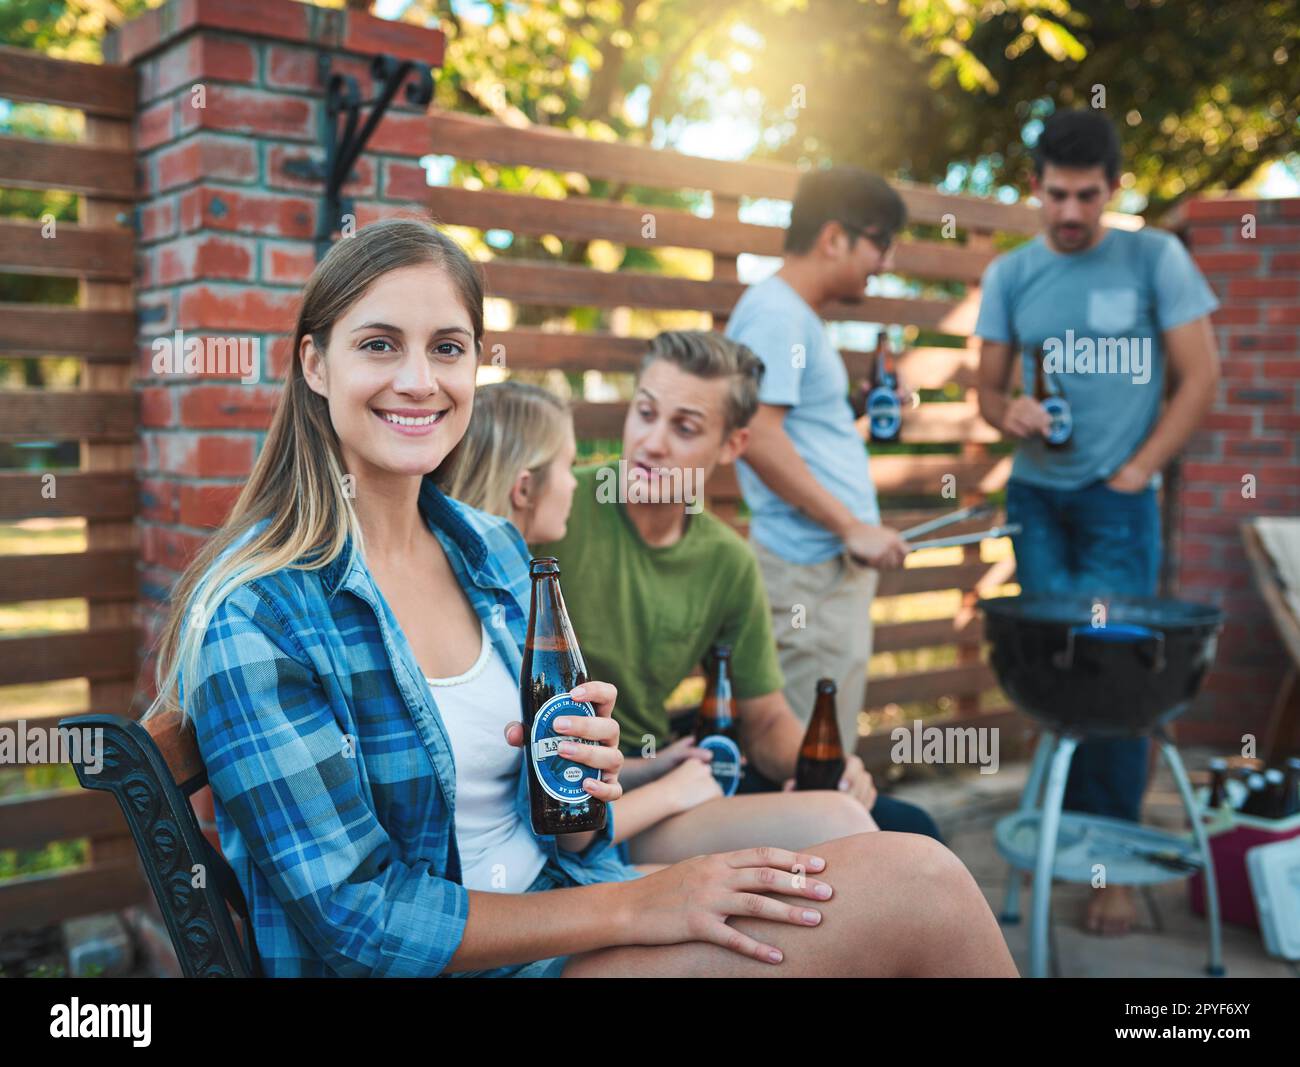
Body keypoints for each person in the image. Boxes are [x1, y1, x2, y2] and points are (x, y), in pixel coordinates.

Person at [142, 219, 1015, 978]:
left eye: (447, 348)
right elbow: (360, 923)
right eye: (379, 344)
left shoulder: (487, 549)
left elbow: (565, 827)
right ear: (315, 364)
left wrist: (586, 776)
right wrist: (644, 904)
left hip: (566, 898)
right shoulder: (259, 612)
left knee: (888, 861)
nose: (419, 381)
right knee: (921, 891)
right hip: (480, 958)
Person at [444, 335, 941, 858]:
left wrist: (833, 768)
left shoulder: (727, 561)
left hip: (662, 767)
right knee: (855, 841)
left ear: (733, 445)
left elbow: (765, 719)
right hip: (579, 793)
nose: (651, 443)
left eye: (684, 427)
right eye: (644, 412)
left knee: (907, 826)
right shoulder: (550, 504)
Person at [974, 109, 1221, 936]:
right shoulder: (1012, 275)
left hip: (1119, 504)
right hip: (1038, 503)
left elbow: (1200, 379)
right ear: (1034, 188)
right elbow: (987, 393)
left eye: (1087, 196)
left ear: (1115, 189)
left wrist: (1137, 473)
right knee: (1062, 671)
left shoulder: (1156, 258)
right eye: (1055, 195)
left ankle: (1111, 868)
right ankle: (1061, 837)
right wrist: (1009, 413)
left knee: (1118, 678)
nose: (1070, 213)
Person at [724, 165, 911, 762]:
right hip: (810, 575)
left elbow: (785, 427)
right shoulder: (778, 315)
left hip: (821, 574)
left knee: (821, 749)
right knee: (810, 759)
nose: (884, 263)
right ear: (835, 237)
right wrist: (850, 526)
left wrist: (853, 409)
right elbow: (758, 436)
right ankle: (810, 857)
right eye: (880, 244)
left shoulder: (788, 315)